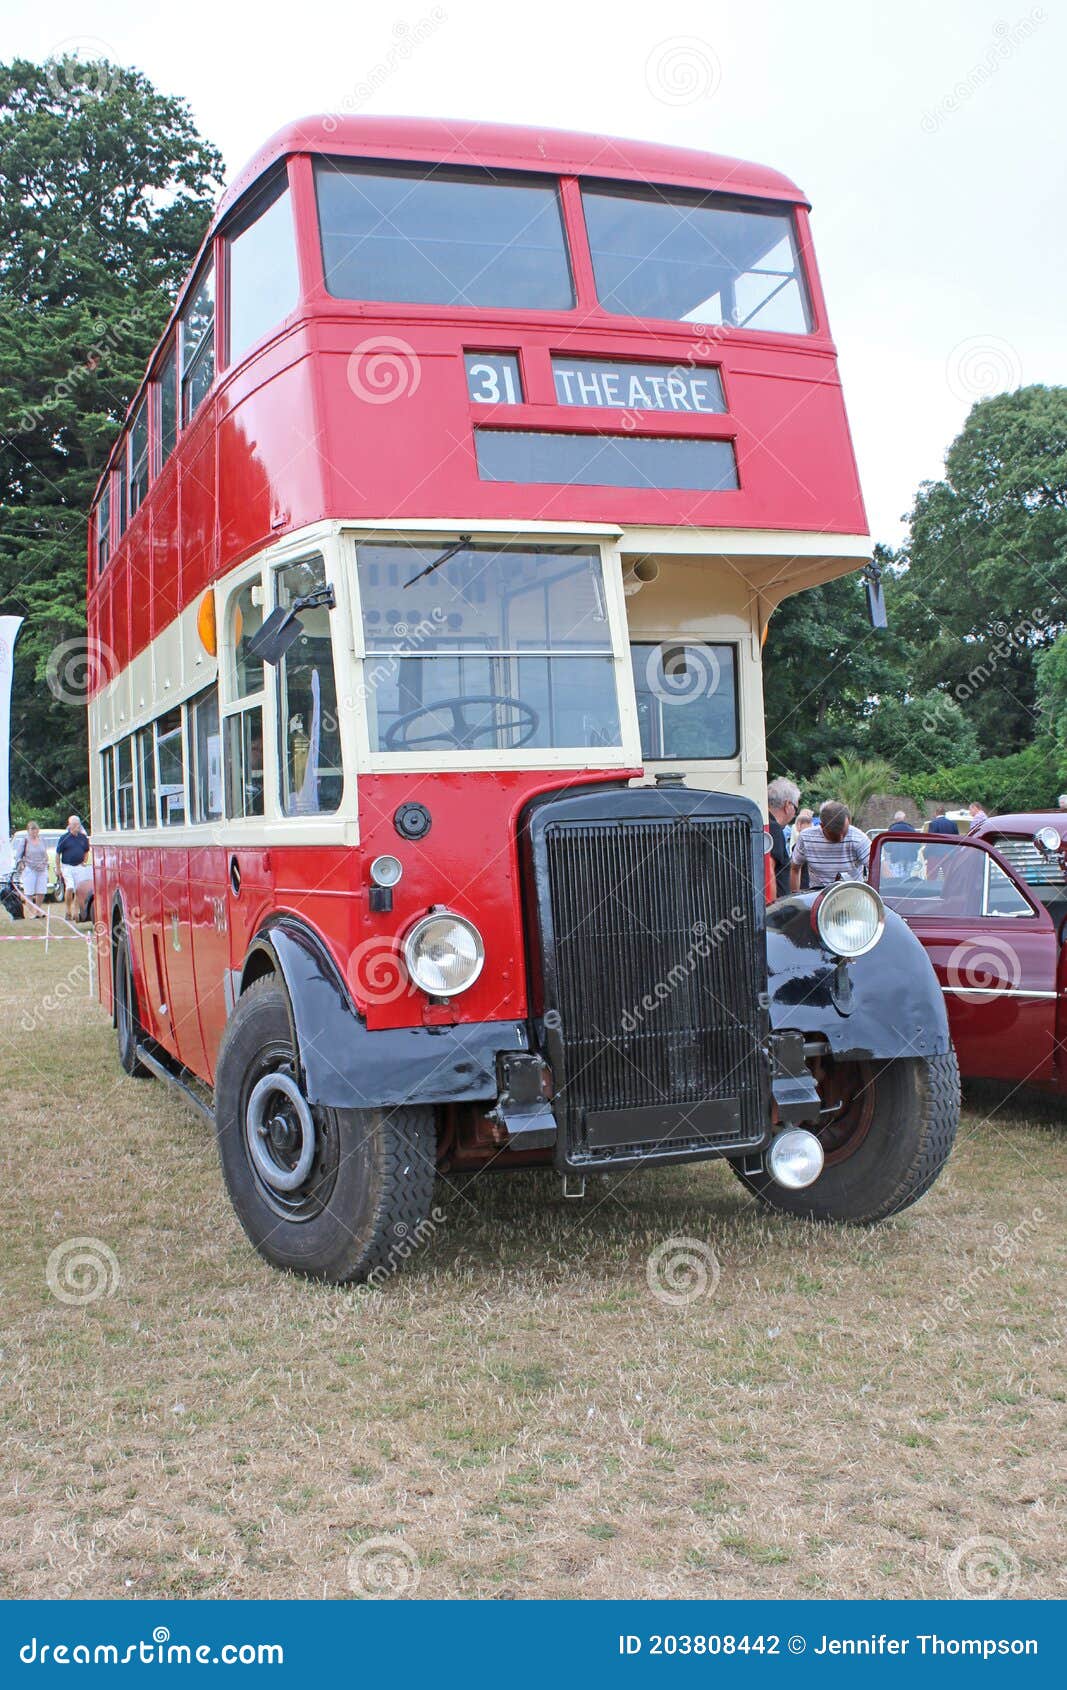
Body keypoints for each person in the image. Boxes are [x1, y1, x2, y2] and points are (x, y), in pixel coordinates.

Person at [790, 800, 870, 891]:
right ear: (822, 826)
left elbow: (880, 870)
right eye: (834, 833)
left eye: (845, 832)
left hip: (851, 895)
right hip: (818, 895)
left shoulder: (859, 839)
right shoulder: (806, 838)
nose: (840, 838)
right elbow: (794, 869)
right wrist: (794, 895)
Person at [766, 777, 800, 899]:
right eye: (796, 809)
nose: (794, 815)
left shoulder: (760, 821)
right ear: (787, 805)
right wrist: (772, 911)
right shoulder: (773, 828)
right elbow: (768, 871)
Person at [55, 815, 92, 921]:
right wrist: (58, 868)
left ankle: (76, 910)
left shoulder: (83, 838)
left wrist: (84, 862)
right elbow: (58, 854)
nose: (77, 826)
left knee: (78, 889)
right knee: (70, 887)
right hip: (67, 866)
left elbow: (86, 851)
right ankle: (68, 910)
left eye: (78, 824)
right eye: (74, 824)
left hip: (79, 866)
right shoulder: (64, 838)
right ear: (70, 825)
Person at [12, 820, 49, 916]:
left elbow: (45, 853)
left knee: (41, 891)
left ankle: (38, 910)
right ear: (28, 830)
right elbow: (18, 856)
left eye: (35, 829)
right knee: (29, 891)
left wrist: (46, 862)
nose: (34, 831)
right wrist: (21, 864)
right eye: (31, 829)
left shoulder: (42, 840)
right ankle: (32, 912)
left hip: (42, 868)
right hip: (29, 868)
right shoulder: (24, 841)